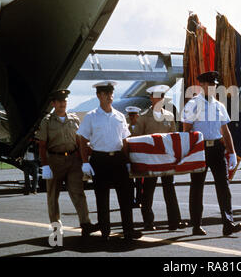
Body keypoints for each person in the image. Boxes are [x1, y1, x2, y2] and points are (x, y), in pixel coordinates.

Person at [77, 81, 142, 241]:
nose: (109, 96)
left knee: (125, 197)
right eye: (105, 93)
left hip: (118, 160)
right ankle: (105, 231)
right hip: (100, 159)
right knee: (102, 197)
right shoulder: (91, 116)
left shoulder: (119, 116)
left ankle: (128, 230)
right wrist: (85, 162)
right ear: (98, 95)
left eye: (111, 93)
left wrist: (127, 161)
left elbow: (125, 140)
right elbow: (82, 140)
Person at [182, 71, 241, 236]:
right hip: (199, 148)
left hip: (216, 148)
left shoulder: (219, 105)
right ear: (201, 85)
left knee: (223, 186)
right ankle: (196, 224)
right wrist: (189, 152)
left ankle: (228, 223)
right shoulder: (193, 104)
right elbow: (186, 129)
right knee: (197, 187)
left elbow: (225, 130)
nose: (212, 87)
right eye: (209, 84)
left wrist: (232, 152)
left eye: (214, 85)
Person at [38, 89, 98, 239]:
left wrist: (85, 162)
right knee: (53, 196)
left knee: (78, 193)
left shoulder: (74, 119)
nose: (62, 104)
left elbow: (80, 141)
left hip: (73, 160)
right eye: (59, 102)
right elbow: (42, 145)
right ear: (53, 103)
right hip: (54, 161)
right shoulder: (46, 121)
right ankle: (56, 229)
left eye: (64, 101)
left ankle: (85, 224)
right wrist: (45, 165)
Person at [132, 85, 187, 231]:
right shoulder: (143, 118)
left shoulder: (169, 116)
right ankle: (148, 222)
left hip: (166, 160)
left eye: (162, 97)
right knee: (148, 191)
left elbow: (173, 137)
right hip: (150, 160)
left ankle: (175, 221)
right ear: (151, 98)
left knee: (170, 189)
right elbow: (136, 139)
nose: (160, 99)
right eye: (157, 97)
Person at [125, 106, 143, 209]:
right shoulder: (126, 127)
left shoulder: (141, 127)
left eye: (134, 115)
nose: (132, 117)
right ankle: (131, 200)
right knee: (129, 181)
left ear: (138, 116)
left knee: (140, 181)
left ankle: (139, 200)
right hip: (129, 157)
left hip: (139, 157)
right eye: (130, 115)